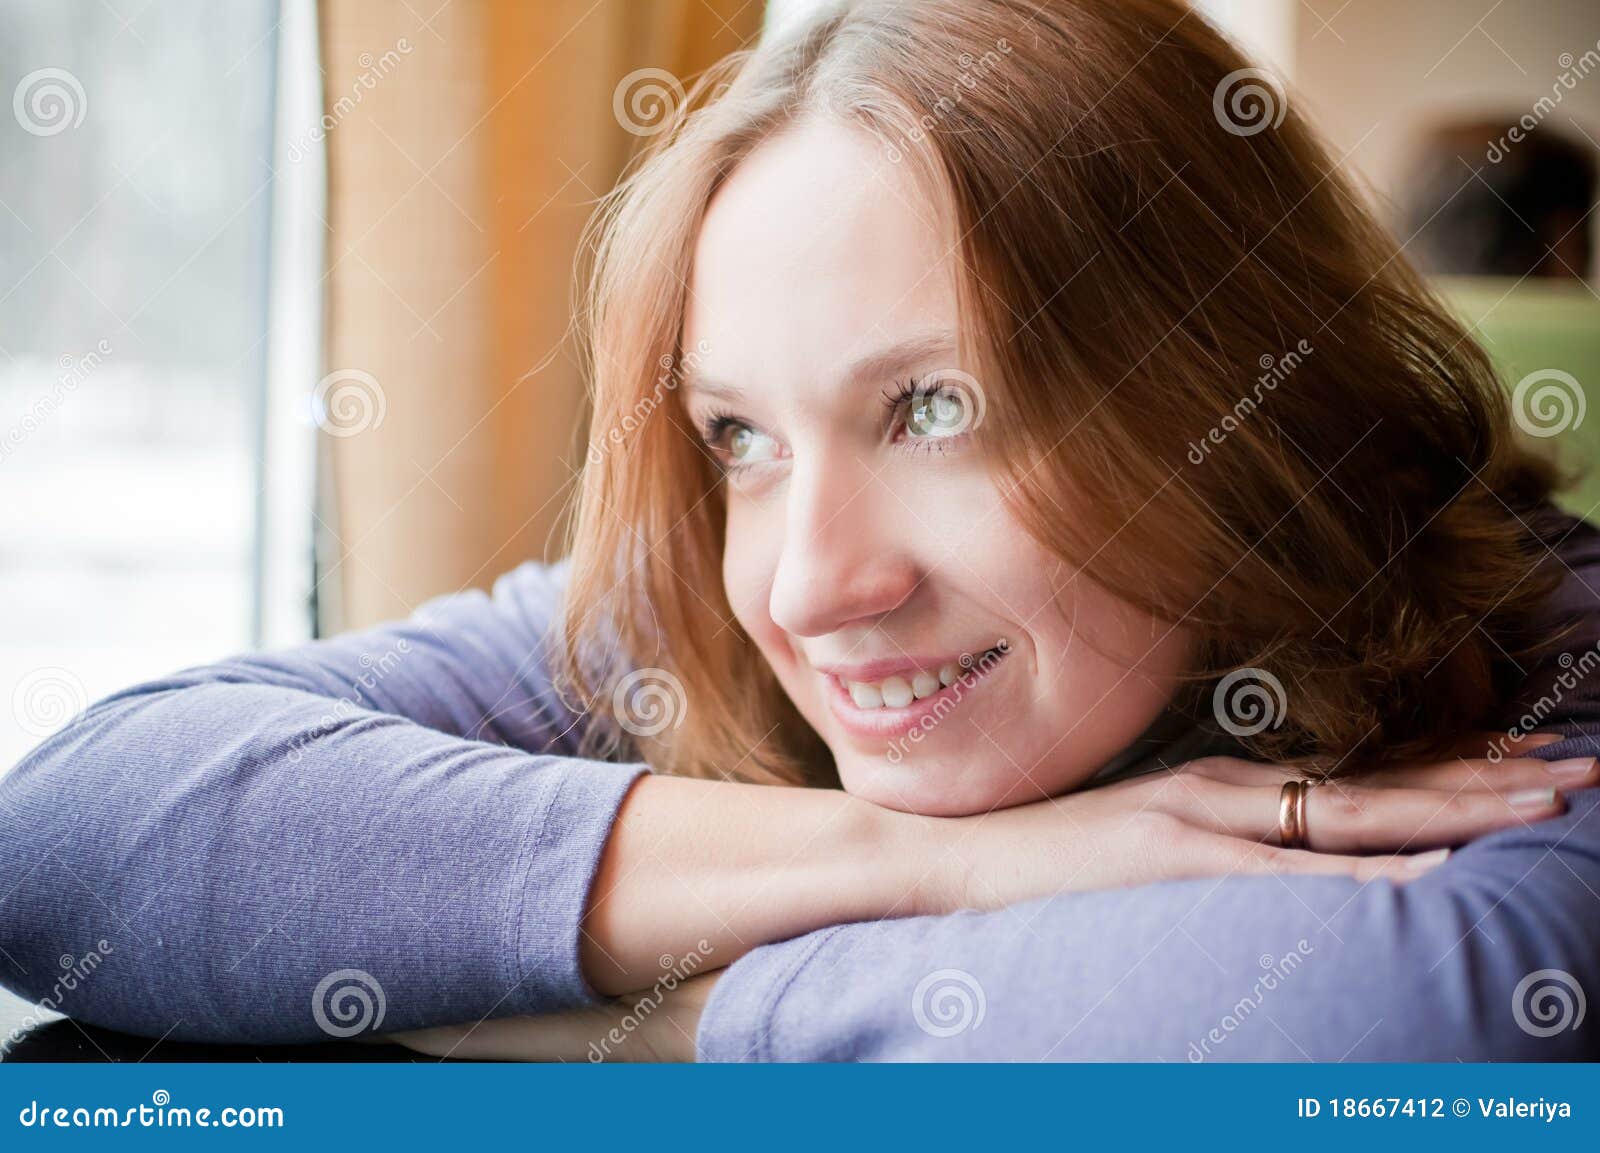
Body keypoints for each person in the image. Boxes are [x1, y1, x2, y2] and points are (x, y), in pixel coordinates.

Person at [2, 0, 1598, 1062]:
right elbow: (72, 839)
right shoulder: (683, 625)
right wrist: (934, 866)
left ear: (1228, 394)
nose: (816, 586)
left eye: (934, 407)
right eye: (740, 439)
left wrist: (645, 1011)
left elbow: (1430, 1025)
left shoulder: (1553, 655)